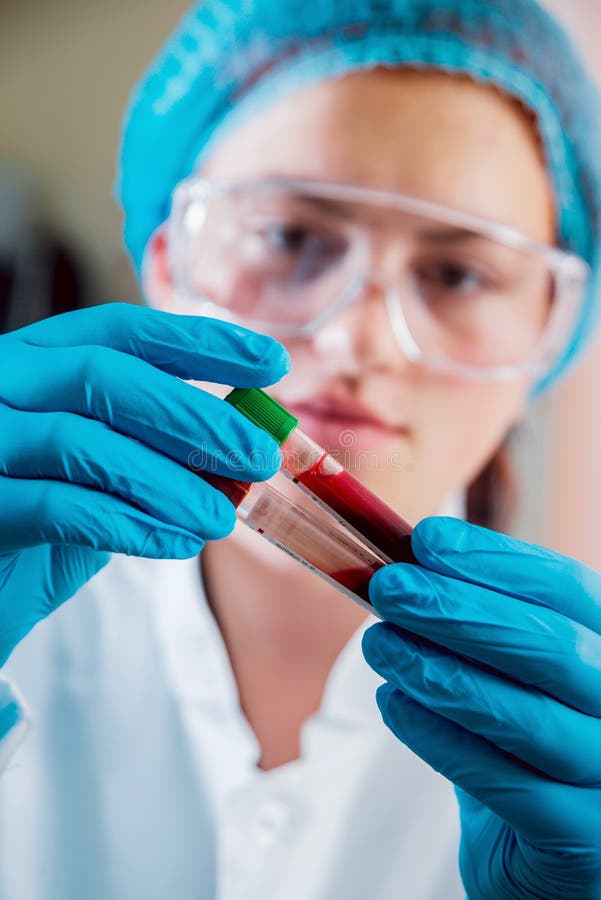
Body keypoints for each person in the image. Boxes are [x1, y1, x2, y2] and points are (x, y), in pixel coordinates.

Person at [1, 0, 601, 897]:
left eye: (458, 272)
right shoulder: (25, 630)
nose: (361, 339)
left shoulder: (577, 745)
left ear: (550, 337)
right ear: (167, 263)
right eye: (290, 235)